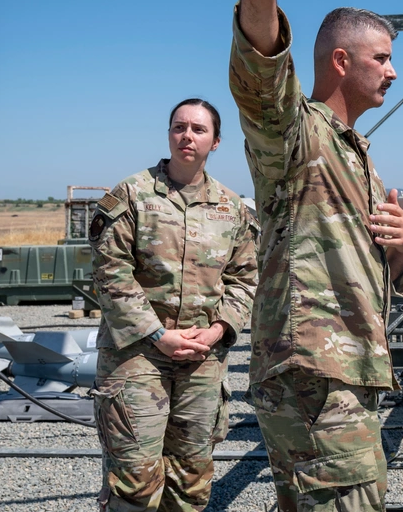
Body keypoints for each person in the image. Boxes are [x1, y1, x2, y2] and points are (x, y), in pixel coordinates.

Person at [201, 0, 403, 512]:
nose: (394, 73)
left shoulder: (359, 154)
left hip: (348, 370)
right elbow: (263, 84)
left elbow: (378, 266)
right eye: (383, 58)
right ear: (341, 61)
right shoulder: (298, 137)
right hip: (314, 374)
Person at [89, 98, 259, 511]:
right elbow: (110, 271)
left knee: (190, 479)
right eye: (179, 127)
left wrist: (219, 329)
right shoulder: (131, 194)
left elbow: (245, 278)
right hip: (137, 356)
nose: (187, 135)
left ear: (215, 142)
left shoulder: (232, 208)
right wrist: (158, 333)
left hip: (202, 357)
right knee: (135, 480)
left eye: (198, 129)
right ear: (169, 134)